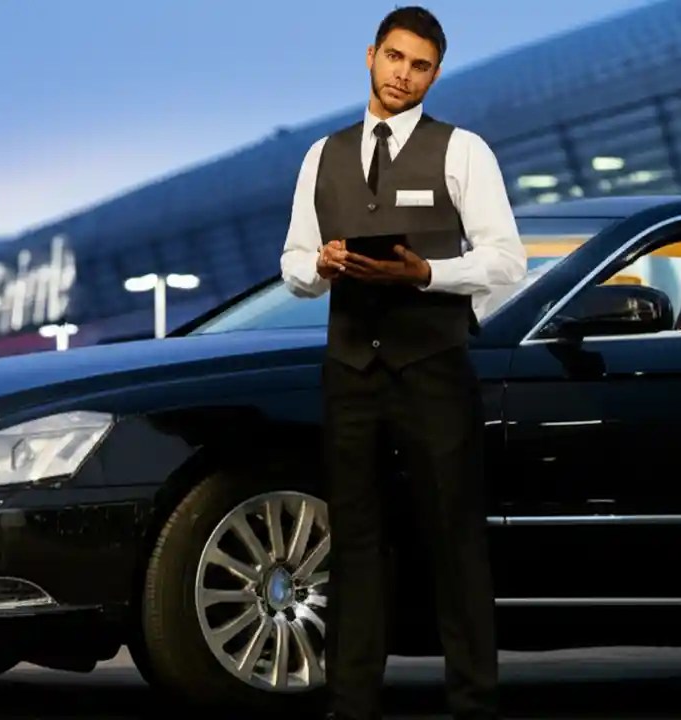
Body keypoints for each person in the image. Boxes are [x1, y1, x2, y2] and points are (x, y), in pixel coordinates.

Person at [277, 6, 526, 720]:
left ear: (435, 73)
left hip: (435, 369)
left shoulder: (463, 151)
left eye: (419, 65)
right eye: (394, 57)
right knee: (353, 544)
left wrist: (426, 274)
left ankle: (473, 703)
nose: (403, 74)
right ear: (370, 56)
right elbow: (292, 260)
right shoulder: (321, 155)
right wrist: (321, 265)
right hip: (350, 371)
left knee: (454, 541)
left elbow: (506, 261)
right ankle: (350, 705)